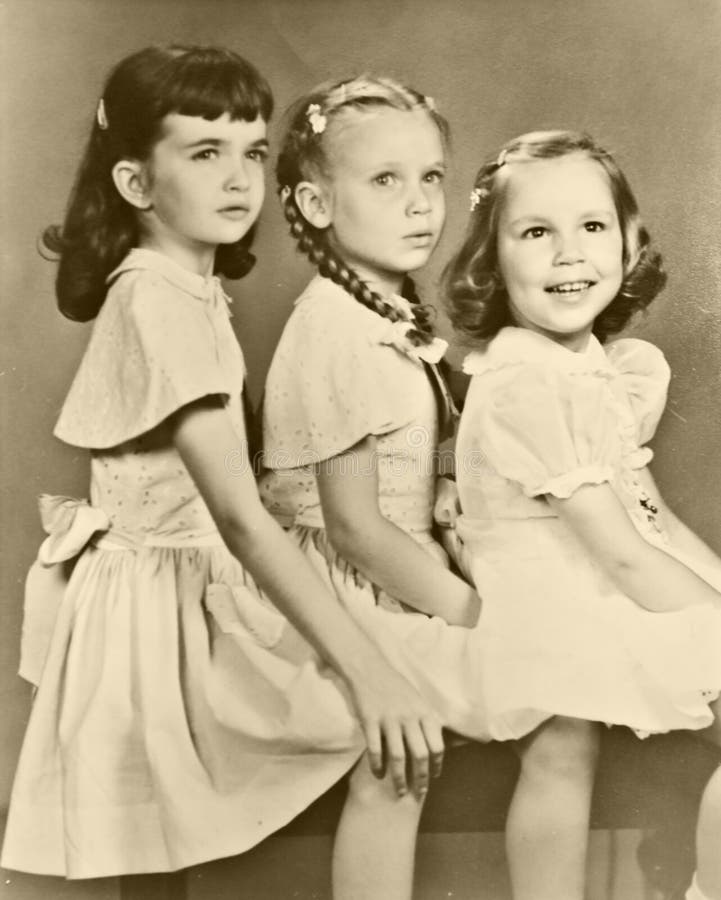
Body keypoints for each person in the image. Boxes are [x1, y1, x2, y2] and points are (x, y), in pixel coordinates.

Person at [1, 45, 470, 884]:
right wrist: (370, 672)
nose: (238, 179)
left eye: (253, 152)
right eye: (204, 153)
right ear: (137, 185)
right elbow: (243, 523)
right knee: (378, 722)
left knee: (165, 850)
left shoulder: (184, 283)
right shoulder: (154, 297)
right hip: (156, 607)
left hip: (191, 584)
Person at [259, 77, 595, 900]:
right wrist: (479, 616)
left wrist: (449, 495)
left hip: (398, 574)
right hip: (351, 599)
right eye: (385, 181)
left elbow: (411, 453)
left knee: (537, 707)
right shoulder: (339, 329)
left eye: (431, 178)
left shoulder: (379, 306)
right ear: (314, 201)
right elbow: (355, 530)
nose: (419, 205)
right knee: (548, 722)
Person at [443, 129, 721, 900]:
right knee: (560, 747)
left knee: (566, 751)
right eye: (536, 232)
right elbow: (622, 550)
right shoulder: (526, 381)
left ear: (629, 244)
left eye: (592, 228)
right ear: (490, 258)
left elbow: (648, 513)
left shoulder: (603, 368)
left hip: (602, 577)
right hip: (556, 594)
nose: (569, 256)